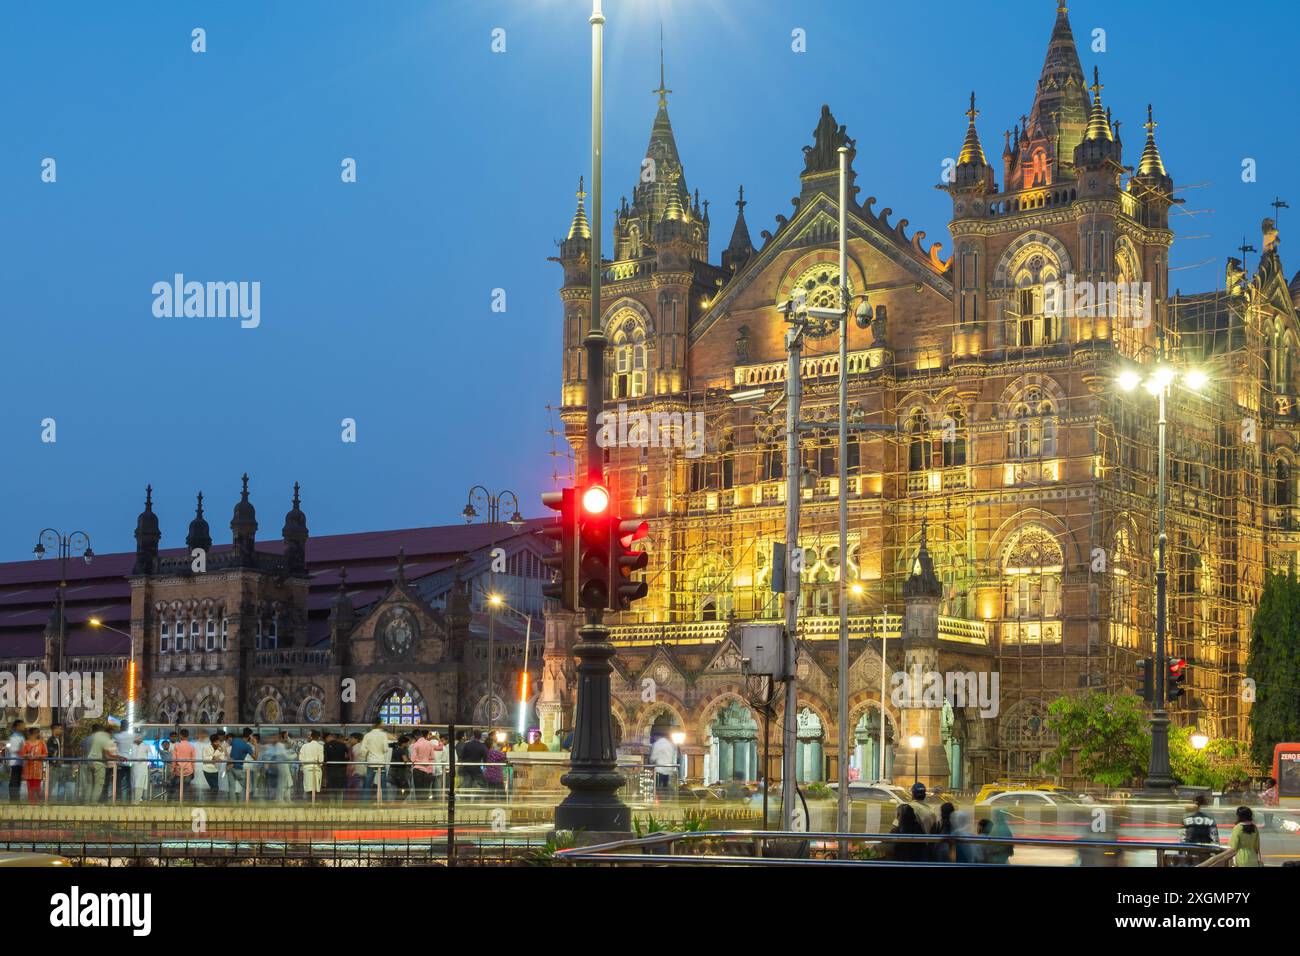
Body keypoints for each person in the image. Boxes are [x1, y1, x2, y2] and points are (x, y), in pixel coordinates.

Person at [360, 721, 390, 799]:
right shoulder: (383, 735)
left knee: (368, 784)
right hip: (381, 761)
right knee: (383, 784)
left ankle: (365, 802)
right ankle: (384, 802)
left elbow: (363, 749)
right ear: (379, 724)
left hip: (371, 762)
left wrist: (366, 756)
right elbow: (385, 749)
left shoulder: (368, 735)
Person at [19, 728, 46, 804]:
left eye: (37, 733)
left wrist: (40, 756)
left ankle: (39, 802)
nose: (36, 735)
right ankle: (31, 803)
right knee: (30, 786)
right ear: (30, 734)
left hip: (38, 769)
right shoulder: (25, 744)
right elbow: (22, 754)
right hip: (29, 768)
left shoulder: (41, 743)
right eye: (34, 733)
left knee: (37, 786)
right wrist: (26, 755)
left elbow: (45, 754)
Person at [227, 729, 254, 799]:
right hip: (238, 768)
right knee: (247, 786)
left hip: (229, 766)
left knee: (231, 787)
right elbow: (255, 758)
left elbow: (225, 746)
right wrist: (256, 744)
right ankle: (243, 801)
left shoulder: (235, 740)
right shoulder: (247, 746)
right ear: (249, 736)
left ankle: (232, 805)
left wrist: (228, 757)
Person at [170, 730, 196, 800]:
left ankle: (177, 802)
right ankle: (185, 802)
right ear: (188, 736)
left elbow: (174, 759)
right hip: (189, 770)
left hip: (178, 771)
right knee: (186, 788)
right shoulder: (191, 747)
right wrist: (194, 771)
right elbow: (193, 761)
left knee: (178, 788)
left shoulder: (176, 746)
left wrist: (172, 769)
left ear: (180, 736)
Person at [323, 731, 349, 797]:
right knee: (340, 788)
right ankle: (339, 805)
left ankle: (332, 805)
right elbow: (347, 757)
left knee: (332, 788)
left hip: (331, 769)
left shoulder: (326, 745)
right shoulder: (343, 745)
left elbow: (325, 758)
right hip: (341, 769)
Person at [300, 730, 324, 801]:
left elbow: (301, 759)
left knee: (308, 788)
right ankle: (315, 804)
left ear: (311, 736)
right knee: (316, 788)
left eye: (309, 735)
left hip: (307, 769)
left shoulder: (304, 746)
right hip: (317, 769)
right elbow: (321, 761)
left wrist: (306, 764)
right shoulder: (320, 746)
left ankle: (309, 804)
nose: (308, 737)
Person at [410, 731, 435, 798]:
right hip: (428, 771)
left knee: (418, 791)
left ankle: (419, 806)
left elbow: (412, 759)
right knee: (426, 791)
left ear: (415, 736)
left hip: (418, 769)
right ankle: (425, 806)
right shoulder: (430, 743)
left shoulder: (416, 744)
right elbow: (432, 757)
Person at [45, 723, 66, 802]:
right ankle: (48, 799)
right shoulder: (51, 740)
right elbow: (50, 752)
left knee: (58, 781)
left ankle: (59, 799)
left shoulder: (58, 739)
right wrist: (54, 761)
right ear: (55, 729)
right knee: (51, 783)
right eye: (59, 729)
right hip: (53, 765)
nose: (61, 731)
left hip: (58, 764)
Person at [7, 719, 26, 801]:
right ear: (17, 726)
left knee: (18, 780)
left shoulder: (21, 736)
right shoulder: (14, 737)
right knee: (14, 780)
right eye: (22, 725)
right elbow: (13, 749)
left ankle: (16, 797)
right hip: (15, 762)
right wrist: (24, 751)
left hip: (20, 761)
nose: (24, 727)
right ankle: (13, 798)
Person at [128, 733, 151, 802]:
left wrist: (145, 759)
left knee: (139, 784)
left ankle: (137, 800)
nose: (137, 739)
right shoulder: (131, 746)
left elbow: (151, 757)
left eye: (139, 738)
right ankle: (133, 800)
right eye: (136, 738)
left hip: (142, 768)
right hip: (134, 767)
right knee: (133, 783)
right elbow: (129, 756)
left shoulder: (146, 746)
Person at [199, 732, 222, 799]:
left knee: (215, 787)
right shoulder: (206, 748)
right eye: (216, 741)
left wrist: (220, 758)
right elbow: (204, 759)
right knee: (213, 787)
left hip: (215, 769)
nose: (218, 743)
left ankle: (213, 800)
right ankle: (212, 800)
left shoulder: (220, 748)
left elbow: (222, 757)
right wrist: (212, 758)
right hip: (207, 770)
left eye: (218, 741)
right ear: (212, 742)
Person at [390, 734, 412, 799]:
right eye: (407, 743)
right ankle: (398, 803)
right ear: (403, 743)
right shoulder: (402, 750)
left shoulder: (396, 749)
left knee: (400, 790)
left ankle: (397, 803)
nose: (408, 744)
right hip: (401, 774)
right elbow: (405, 760)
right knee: (406, 791)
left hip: (396, 773)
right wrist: (411, 762)